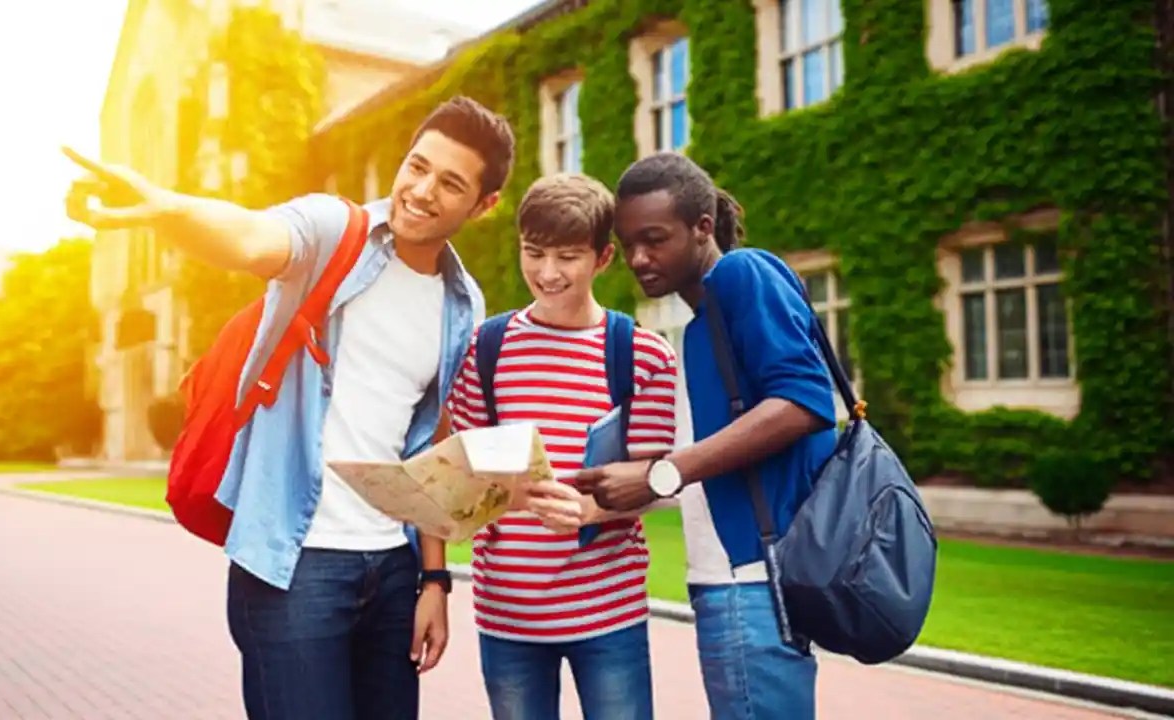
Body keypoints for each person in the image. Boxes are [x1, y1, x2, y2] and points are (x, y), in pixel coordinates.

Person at [63, 95, 515, 720]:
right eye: (417, 166)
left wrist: (435, 581)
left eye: (450, 183)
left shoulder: (462, 301)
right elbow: (253, 238)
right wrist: (166, 210)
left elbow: (432, 443)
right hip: (295, 569)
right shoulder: (336, 232)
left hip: (389, 569)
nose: (421, 190)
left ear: (483, 205)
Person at [576, 152, 839, 720]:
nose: (639, 258)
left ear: (702, 229)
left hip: (750, 582)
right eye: (628, 244)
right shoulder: (701, 324)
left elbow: (805, 403)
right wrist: (632, 488)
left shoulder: (741, 275)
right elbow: (716, 462)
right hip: (730, 581)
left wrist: (658, 472)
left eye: (655, 239)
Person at [445, 174, 678, 720]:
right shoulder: (485, 348)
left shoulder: (643, 357)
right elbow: (468, 468)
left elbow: (651, 484)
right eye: (535, 253)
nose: (547, 273)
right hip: (508, 616)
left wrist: (591, 509)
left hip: (608, 613)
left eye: (568, 257)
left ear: (602, 259)